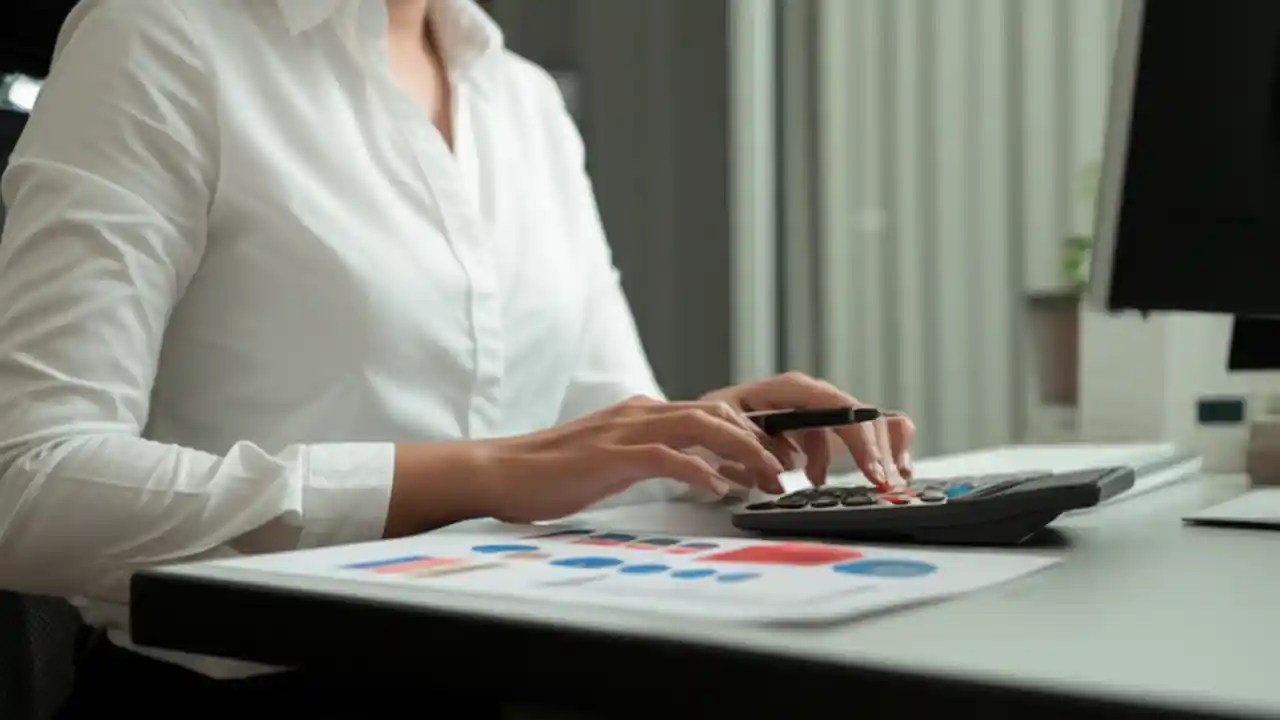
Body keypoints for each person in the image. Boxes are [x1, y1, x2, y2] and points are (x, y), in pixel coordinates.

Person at [0, 0, 915, 713]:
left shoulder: (523, 100)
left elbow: (595, 442)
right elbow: (27, 484)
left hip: (509, 688)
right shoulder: (160, 40)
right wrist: (475, 474)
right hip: (235, 699)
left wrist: (705, 439)